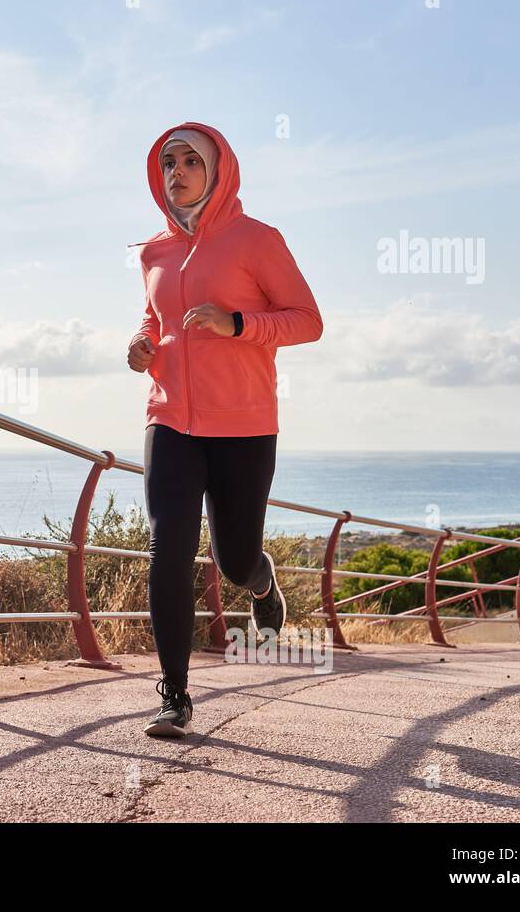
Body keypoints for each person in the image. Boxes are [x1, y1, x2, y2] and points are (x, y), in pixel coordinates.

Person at [126, 122, 323, 738]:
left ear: (218, 170)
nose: (176, 171)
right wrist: (141, 345)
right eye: (167, 162)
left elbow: (307, 321)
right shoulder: (152, 251)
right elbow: (155, 319)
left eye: (190, 161)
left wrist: (238, 323)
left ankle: (258, 579)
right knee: (169, 549)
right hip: (171, 421)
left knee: (232, 557)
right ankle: (174, 695)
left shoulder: (256, 240)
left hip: (243, 425)